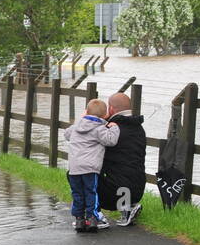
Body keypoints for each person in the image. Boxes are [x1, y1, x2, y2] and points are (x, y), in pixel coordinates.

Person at [61, 98, 121, 233]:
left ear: (86, 112)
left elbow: (66, 134)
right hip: (90, 168)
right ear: (105, 115)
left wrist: (80, 120)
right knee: (91, 192)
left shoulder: (76, 127)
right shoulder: (99, 129)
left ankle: (79, 219)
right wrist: (114, 127)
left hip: (74, 168)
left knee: (77, 193)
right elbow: (111, 140)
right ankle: (92, 218)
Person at [98, 91, 147, 226]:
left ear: (111, 108)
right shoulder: (139, 129)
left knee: (78, 174)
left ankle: (95, 214)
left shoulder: (111, 130)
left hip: (116, 192)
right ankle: (127, 208)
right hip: (137, 189)